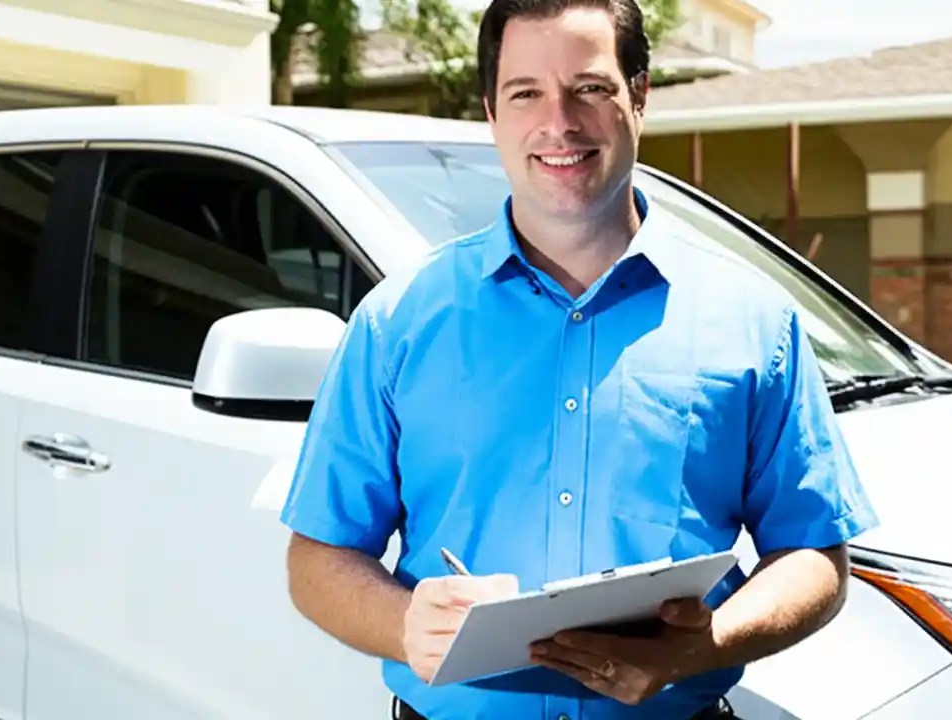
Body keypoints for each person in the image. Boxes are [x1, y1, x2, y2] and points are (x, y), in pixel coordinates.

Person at [279, 0, 879, 718]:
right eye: (526, 92)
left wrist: (705, 644)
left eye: (589, 88)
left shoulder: (752, 318)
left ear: (640, 96)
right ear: (491, 113)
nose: (558, 122)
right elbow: (318, 560)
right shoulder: (397, 321)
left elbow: (815, 558)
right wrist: (404, 624)